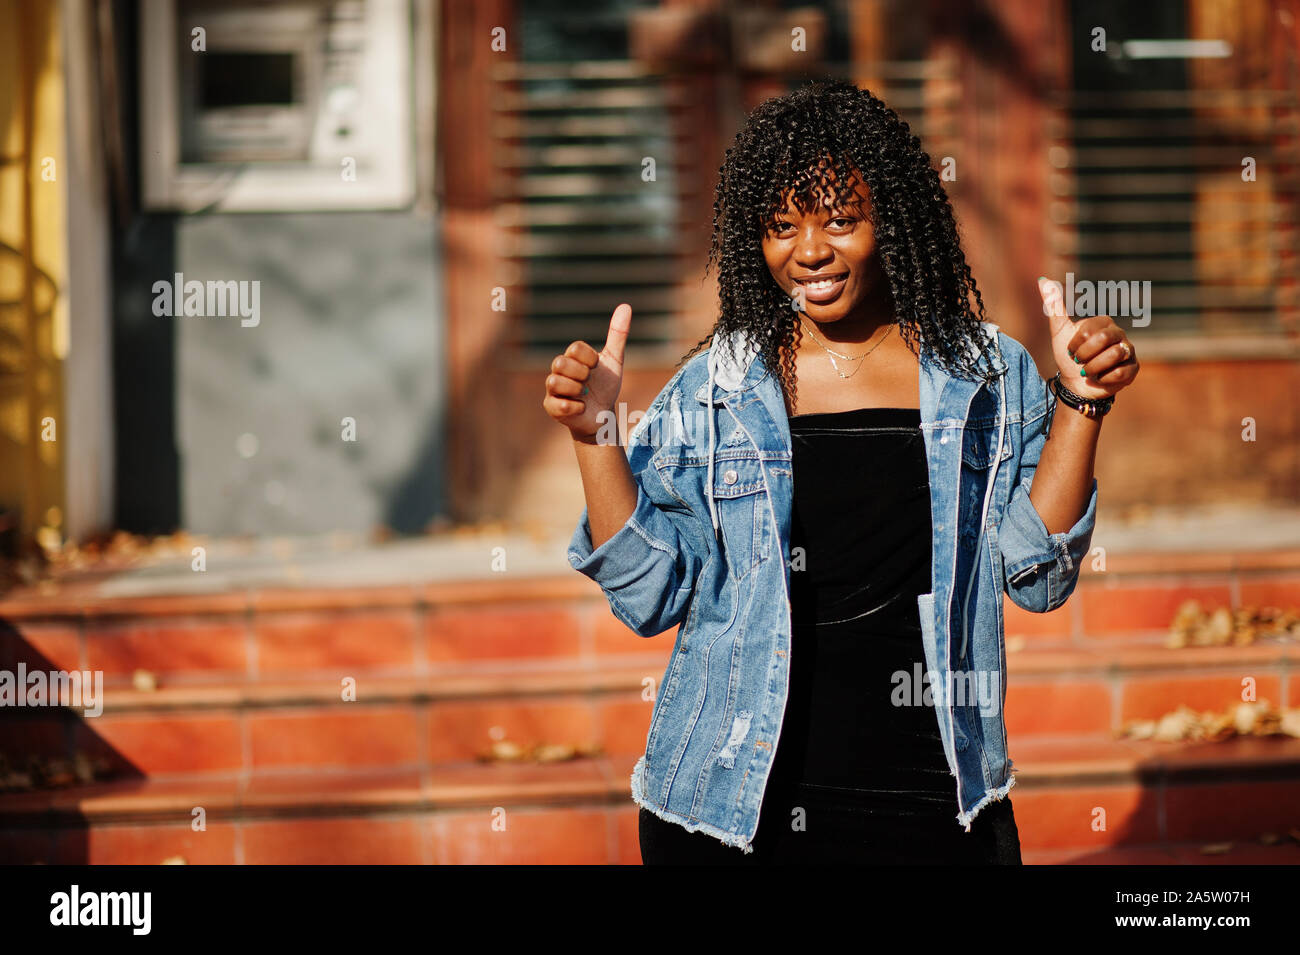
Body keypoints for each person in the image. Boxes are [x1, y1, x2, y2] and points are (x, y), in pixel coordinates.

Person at [542, 80, 1138, 864]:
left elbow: (1037, 577)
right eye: (781, 227)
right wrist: (596, 437)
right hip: (732, 805)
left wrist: (1079, 403)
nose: (809, 252)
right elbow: (649, 595)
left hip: (936, 795)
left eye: (839, 221)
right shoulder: (716, 389)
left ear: (891, 219)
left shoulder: (987, 374)